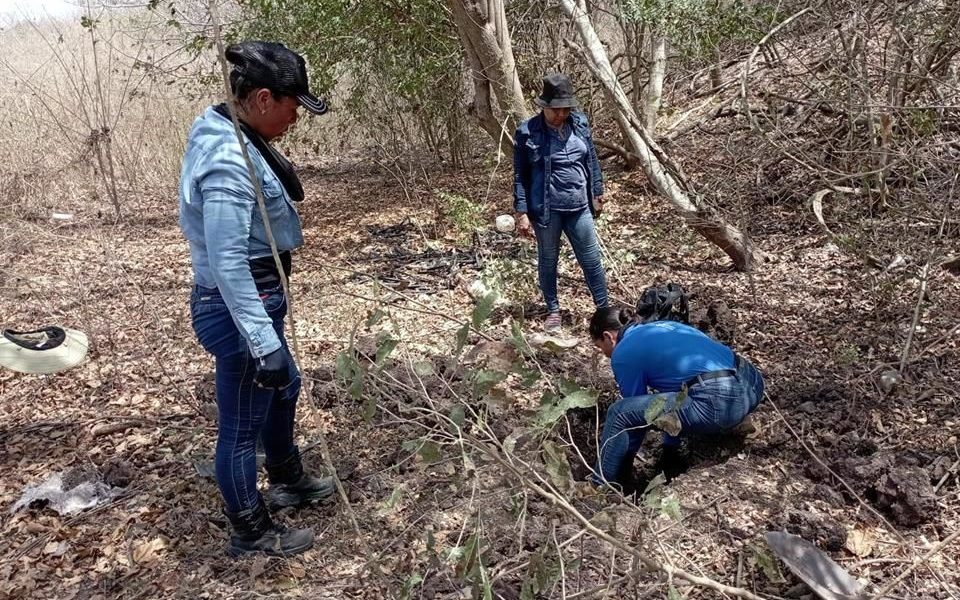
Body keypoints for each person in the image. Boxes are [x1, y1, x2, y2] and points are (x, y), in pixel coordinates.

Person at [179, 41, 334, 557]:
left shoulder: (236, 130)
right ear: (265, 99)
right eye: (293, 106)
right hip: (237, 308)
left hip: (257, 297)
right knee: (241, 426)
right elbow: (228, 262)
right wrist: (262, 339)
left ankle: (286, 476)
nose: (296, 118)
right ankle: (249, 528)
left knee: (286, 386)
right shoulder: (227, 160)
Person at [588, 306, 765, 491]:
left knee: (618, 412)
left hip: (719, 399)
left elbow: (633, 418)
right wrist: (669, 450)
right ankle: (733, 422)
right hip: (752, 384)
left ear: (608, 336)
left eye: (600, 347)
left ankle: (599, 486)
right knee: (676, 396)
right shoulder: (662, 325)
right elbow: (677, 391)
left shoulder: (623, 352)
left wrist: (624, 464)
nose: (604, 354)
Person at [513, 73, 608, 331]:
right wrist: (521, 212)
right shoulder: (527, 132)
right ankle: (553, 310)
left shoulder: (580, 124)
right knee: (548, 259)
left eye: (566, 109)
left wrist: (597, 192)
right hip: (546, 209)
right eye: (556, 110)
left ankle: (604, 311)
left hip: (580, 206)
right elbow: (520, 175)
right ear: (544, 106)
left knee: (591, 259)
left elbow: (592, 162)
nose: (561, 115)